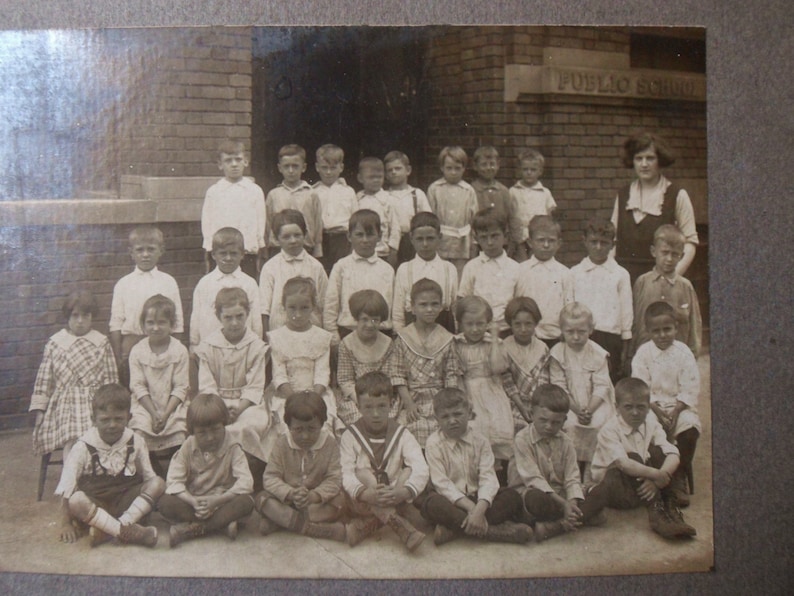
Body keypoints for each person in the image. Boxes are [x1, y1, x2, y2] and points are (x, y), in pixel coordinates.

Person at [54, 383, 164, 547]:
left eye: (118, 419)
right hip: (96, 505)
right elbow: (67, 487)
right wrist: (65, 523)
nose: (112, 425)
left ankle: (112, 529)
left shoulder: (136, 441)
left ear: (129, 418)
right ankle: (128, 532)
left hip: (126, 505)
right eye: (105, 420)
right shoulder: (83, 446)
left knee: (158, 483)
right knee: (76, 500)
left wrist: (146, 501)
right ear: (93, 420)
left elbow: (149, 477)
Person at [587, 377, 697, 539]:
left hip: (641, 487)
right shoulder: (609, 430)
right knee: (633, 457)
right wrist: (657, 475)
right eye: (628, 407)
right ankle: (658, 517)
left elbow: (673, 453)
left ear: (648, 408)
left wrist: (659, 479)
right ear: (617, 407)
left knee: (660, 452)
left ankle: (671, 510)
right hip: (614, 489)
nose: (635, 412)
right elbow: (624, 464)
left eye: (641, 407)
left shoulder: (651, 424)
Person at [421, 388, 533, 545]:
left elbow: (488, 477)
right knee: (432, 504)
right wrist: (473, 510)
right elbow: (442, 483)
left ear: (469, 413)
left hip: (478, 497)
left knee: (512, 497)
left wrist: (479, 508)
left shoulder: (480, 441)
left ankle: (453, 529)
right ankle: (495, 532)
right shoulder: (433, 443)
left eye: (458, 414)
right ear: (436, 419)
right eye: (445, 416)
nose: (452, 421)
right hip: (452, 501)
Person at [340, 372, 429, 550]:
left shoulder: (402, 434)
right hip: (363, 499)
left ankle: (365, 527)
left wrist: (403, 492)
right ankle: (401, 527)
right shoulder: (350, 436)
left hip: (394, 495)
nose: (375, 414)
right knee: (362, 474)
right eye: (368, 407)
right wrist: (365, 494)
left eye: (381, 406)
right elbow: (345, 473)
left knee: (408, 471)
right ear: (358, 406)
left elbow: (421, 467)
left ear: (392, 404)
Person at [508, 384, 607, 542]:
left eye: (556, 422)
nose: (548, 426)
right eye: (543, 420)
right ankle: (582, 517)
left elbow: (572, 477)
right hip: (530, 493)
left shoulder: (566, 441)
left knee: (599, 493)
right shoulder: (522, 439)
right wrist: (565, 505)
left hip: (559, 494)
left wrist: (572, 503)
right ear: (532, 413)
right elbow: (534, 479)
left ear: (564, 420)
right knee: (535, 499)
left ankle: (557, 526)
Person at [195, 288, 270, 491]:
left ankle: (248, 477)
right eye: (228, 317)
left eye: (239, 316)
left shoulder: (255, 346)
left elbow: (255, 386)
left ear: (248, 314)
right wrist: (220, 410)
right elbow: (207, 385)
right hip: (216, 403)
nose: (234, 323)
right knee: (211, 427)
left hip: (247, 405)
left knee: (248, 426)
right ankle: (217, 478)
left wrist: (239, 408)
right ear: (219, 316)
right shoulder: (209, 346)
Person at [30, 290, 118, 461]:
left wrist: (110, 404)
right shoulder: (56, 343)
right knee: (72, 434)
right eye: (75, 315)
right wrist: (40, 410)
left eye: (85, 316)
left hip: (95, 401)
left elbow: (111, 378)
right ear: (67, 317)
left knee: (96, 432)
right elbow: (44, 380)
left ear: (92, 317)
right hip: (64, 404)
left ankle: (96, 471)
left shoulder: (101, 342)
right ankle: (71, 473)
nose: (80, 321)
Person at [160, 393, 254, 547]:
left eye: (216, 429)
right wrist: (192, 501)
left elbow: (246, 482)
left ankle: (191, 529)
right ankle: (221, 525)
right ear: (193, 431)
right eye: (202, 433)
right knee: (165, 503)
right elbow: (173, 480)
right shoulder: (188, 446)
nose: (210, 437)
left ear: (224, 424)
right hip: (195, 503)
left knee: (246, 502)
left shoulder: (233, 446)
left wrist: (217, 500)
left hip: (222, 501)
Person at [631, 301, 701, 507]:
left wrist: (677, 410)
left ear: (676, 328)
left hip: (679, 406)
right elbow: (640, 387)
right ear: (648, 331)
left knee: (689, 428)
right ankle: (655, 474)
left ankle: (678, 475)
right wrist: (656, 410)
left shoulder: (683, 352)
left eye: (667, 329)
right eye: (656, 331)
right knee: (647, 426)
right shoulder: (643, 353)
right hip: (652, 407)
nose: (662, 335)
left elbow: (690, 385)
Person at [255, 391, 347, 542]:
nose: (305, 436)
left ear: (322, 424)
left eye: (311, 429)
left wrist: (314, 495)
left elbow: (334, 479)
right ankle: (313, 529)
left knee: (340, 501)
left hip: (315, 504)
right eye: (298, 429)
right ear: (288, 425)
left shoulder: (330, 444)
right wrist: (291, 493)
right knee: (262, 499)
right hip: (287, 500)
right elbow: (270, 477)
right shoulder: (282, 443)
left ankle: (282, 521)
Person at [612, 131, 699, 283]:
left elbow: (690, 243)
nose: (644, 164)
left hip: (662, 280)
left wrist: (670, 278)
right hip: (625, 280)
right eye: (639, 158)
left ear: (660, 160)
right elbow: (612, 240)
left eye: (650, 158)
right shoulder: (624, 195)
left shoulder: (677, 195)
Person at [109, 225, 184, 387]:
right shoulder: (124, 284)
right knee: (134, 389)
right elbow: (116, 323)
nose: (145, 254)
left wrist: (175, 349)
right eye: (140, 250)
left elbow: (177, 321)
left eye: (151, 249)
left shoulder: (168, 282)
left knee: (162, 388)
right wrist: (118, 355)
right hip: (131, 345)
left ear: (161, 250)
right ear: (131, 253)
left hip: (162, 345)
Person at [549, 302, 614, 484]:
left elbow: (602, 385)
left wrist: (589, 410)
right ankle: (573, 470)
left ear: (591, 330)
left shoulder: (598, 353)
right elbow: (559, 386)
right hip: (569, 403)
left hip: (595, 402)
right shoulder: (557, 353)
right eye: (570, 332)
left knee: (600, 423)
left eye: (582, 332)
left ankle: (592, 474)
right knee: (569, 424)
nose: (576, 337)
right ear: (562, 330)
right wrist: (577, 410)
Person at [392, 279, 460, 449]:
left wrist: (445, 404)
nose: (429, 309)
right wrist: (409, 403)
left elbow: (451, 376)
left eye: (434, 304)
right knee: (408, 428)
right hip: (411, 397)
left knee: (443, 429)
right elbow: (397, 375)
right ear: (412, 308)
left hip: (439, 398)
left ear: (441, 306)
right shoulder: (403, 338)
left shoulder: (447, 338)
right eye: (423, 305)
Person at [267, 277, 339, 438]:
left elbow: (322, 374)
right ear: (284, 306)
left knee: (321, 427)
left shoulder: (321, 338)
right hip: (287, 395)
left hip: (316, 394)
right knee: (287, 428)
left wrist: (312, 399)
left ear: (313, 307)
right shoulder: (277, 338)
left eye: (304, 308)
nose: (298, 314)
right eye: (292, 308)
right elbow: (279, 376)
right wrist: (295, 400)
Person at [128, 295, 189, 475]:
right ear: (143, 324)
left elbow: (181, 387)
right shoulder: (137, 351)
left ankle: (176, 472)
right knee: (138, 430)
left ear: (171, 324)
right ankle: (153, 473)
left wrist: (165, 414)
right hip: (146, 406)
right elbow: (138, 386)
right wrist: (154, 414)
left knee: (180, 429)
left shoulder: (179, 350)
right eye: (150, 322)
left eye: (162, 322)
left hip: (173, 406)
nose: (155, 327)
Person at [453, 296, 515, 471]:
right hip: (468, 391)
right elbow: (457, 375)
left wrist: (494, 338)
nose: (475, 329)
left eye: (480, 324)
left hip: (491, 391)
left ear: (488, 323)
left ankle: (496, 472)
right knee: (475, 428)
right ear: (460, 324)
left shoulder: (493, 343)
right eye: (469, 324)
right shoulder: (456, 343)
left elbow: (497, 368)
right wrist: (464, 399)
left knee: (495, 427)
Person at [570, 218, 633, 382]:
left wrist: (625, 344)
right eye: (593, 242)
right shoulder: (575, 273)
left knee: (607, 381)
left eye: (604, 243)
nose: (598, 247)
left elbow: (626, 312)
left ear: (613, 244)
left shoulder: (620, 274)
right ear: (584, 241)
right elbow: (569, 307)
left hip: (610, 338)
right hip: (581, 336)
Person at [323, 209, 395, 343]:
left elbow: (392, 306)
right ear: (349, 236)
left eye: (370, 235)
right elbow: (331, 304)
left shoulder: (387, 270)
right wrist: (333, 335)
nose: (365, 240)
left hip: (380, 334)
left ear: (379, 236)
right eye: (359, 235)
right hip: (348, 332)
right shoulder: (341, 266)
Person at [189, 227, 263, 353]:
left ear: (242, 254)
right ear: (213, 255)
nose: (228, 258)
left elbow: (256, 320)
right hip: (211, 349)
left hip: (242, 349)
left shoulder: (249, 283)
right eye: (223, 253)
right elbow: (196, 317)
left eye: (233, 253)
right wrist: (194, 345)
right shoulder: (205, 283)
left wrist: (256, 346)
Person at [632, 224, 702, 357]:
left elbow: (694, 326)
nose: (669, 259)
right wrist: (632, 355)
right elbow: (635, 322)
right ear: (654, 251)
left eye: (675, 254)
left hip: (677, 358)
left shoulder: (686, 287)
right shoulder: (642, 283)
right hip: (647, 357)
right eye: (665, 252)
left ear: (681, 256)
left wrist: (693, 355)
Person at [201, 139, 266, 279]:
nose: (234, 164)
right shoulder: (214, 191)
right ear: (220, 164)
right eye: (228, 160)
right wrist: (210, 248)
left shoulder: (254, 190)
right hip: (222, 253)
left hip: (247, 252)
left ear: (246, 161)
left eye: (238, 159)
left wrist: (258, 247)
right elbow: (207, 223)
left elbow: (260, 222)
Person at [259, 209, 328, 334]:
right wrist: (266, 337)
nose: (293, 241)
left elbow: (325, 304)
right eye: (286, 237)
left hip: (312, 333)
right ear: (277, 239)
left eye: (297, 235)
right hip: (279, 333)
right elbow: (264, 308)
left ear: (305, 234)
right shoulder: (270, 268)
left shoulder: (316, 267)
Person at [336, 290, 396, 426]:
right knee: (359, 419)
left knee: (388, 418)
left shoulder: (388, 344)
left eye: (375, 320)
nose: (370, 324)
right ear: (356, 318)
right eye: (365, 319)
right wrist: (360, 400)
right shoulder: (347, 344)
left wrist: (378, 400)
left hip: (381, 396)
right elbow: (345, 380)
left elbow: (390, 377)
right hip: (356, 397)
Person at [392, 211, 458, 334]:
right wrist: (403, 338)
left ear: (440, 237)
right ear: (411, 239)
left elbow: (455, 309)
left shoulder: (449, 268)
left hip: (444, 331)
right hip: (412, 333)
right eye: (420, 239)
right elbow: (398, 313)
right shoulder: (404, 269)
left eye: (430, 238)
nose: (425, 244)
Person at [458, 207, 520, 335]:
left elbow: (520, 305)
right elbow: (463, 300)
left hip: (507, 331)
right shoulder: (471, 267)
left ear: (505, 236)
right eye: (484, 237)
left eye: (494, 236)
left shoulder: (516, 268)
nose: (490, 242)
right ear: (476, 239)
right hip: (477, 331)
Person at [515, 215, 574, 349]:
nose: (546, 245)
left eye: (551, 241)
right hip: (527, 335)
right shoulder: (520, 270)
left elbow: (569, 305)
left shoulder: (565, 273)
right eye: (541, 240)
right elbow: (517, 302)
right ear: (530, 242)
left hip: (556, 336)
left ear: (559, 243)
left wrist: (566, 330)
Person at [427, 146, 478, 277]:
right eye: (449, 168)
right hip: (441, 241)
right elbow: (430, 218)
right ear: (442, 168)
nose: (453, 172)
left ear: (464, 168)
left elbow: (474, 219)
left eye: (457, 168)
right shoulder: (435, 189)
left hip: (462, 243)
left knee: (460, 276)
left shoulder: (468, 190)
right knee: (440, 274)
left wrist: (474, 243)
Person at [500, 297, 550, 432]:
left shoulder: (542, 348)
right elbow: (507, 382)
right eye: (517, 324)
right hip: (513, 401)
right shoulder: (504, 347)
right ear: (510, 324)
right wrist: (521, 406)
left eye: (528, 324)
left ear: (536, 323)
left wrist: (536, 406)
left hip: (538, 402)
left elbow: (543, 381)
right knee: (513, 425)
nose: (523, 329)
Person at [266, 144, 323, 259]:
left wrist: (318, 246)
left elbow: (318, 222)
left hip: (305, 247)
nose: (291, 170)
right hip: (278, 248)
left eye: (295, 166)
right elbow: (268, 223)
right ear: (280, 168)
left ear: (304, 167)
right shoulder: (274, 194)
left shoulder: (311, 194)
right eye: (286, 166)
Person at [313, 144, 357, 273]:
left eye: (333, 168)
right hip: (320, 239)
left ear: (341, 168)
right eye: (324, 168)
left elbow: (355, 219)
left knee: (342, 271)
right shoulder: (313, 192)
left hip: (342, 239)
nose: (328, 172)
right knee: (322, 271)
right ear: (317, 167)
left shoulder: (348, 191)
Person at [383, 150, 432, 264]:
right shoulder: (384, 195)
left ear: (408, 170)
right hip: (390, 242)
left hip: (411, 241)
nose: (394, 172)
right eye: (390, 170)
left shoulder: (416, 194)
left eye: (398, 168)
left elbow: (427, 219)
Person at [508, 148, 557, 262]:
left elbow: (550, 215)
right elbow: (510, 214)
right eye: (525, 169)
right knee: (522, 264)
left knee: (537, 262)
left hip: (539, 236)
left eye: (533, 169)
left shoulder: (545, 192)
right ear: (520, 170)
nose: (529, 172)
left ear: (540, 171)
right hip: (519, 237)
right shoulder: (513, 191)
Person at [355, 156, 401, 267]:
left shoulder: (389, 200)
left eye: (379, 177)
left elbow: (395, 227)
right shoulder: (357, 199)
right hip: (360, 252)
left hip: (382, 252)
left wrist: (393, 250)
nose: (376, 180)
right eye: (371, 177)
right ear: (360, 178)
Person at [469, 146, 511, 233]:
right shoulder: (470, 190)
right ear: (475, 166)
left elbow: (511, 218)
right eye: (484, 164)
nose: (488, 168)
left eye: (492, 164)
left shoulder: (503, 191)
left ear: (498, 165)